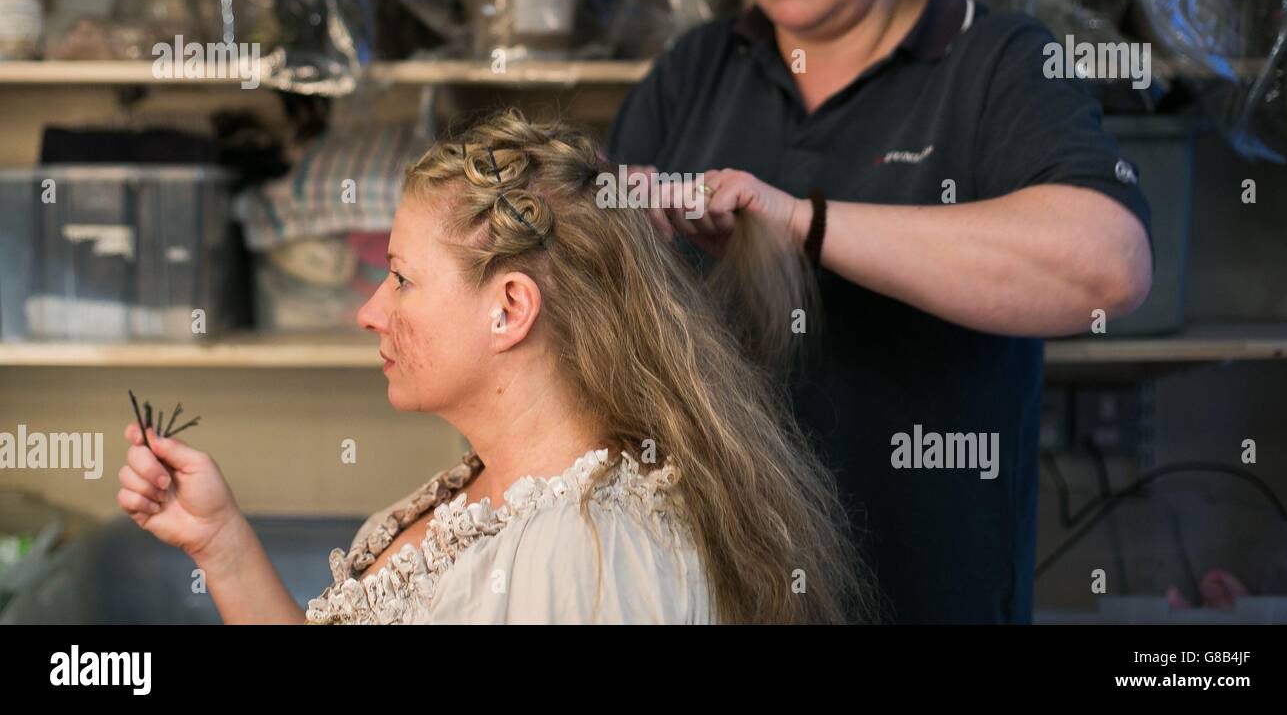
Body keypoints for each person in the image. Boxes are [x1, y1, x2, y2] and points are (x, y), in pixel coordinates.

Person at [606, 0, 1155, 623]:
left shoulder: (992, 64)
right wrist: (614, 226)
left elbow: (1109, 266)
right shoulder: (698, 69)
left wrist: (800, 223)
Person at [118, 109, 874, 624]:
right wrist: (220, 542)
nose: (370, 311)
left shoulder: (588, 551)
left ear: (509, 308)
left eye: (402, 279)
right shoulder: (489, 498)